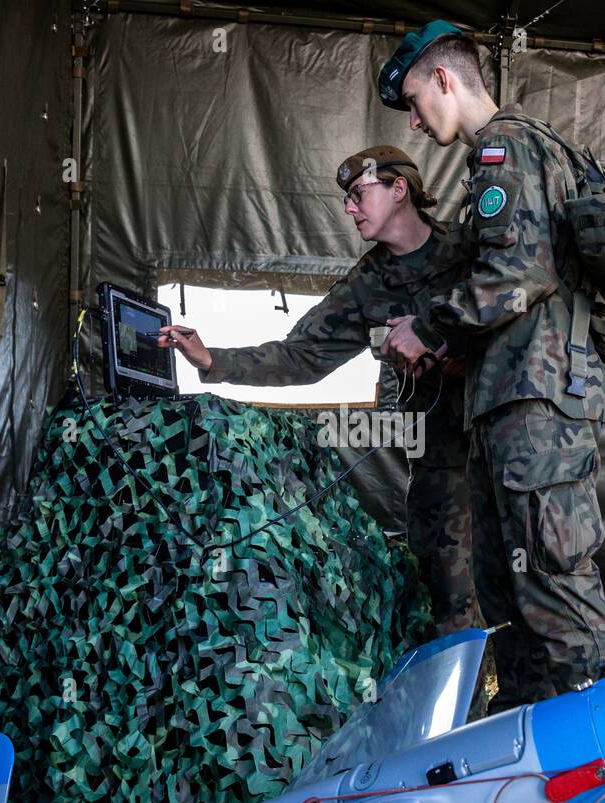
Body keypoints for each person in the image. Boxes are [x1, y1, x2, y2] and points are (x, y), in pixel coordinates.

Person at [376, 20, 605, 711]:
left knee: (552, 577)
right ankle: (528, 736)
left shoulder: (505, 150)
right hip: (511, 398)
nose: (416, 124)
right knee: (506, 579)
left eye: (415, 102)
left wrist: (427, 325)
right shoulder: (516, 151)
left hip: (538, 400)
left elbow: (521, 274)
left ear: (445, 79)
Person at [159, 145, 481, 638]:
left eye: (357, 195)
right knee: (448, 601)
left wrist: (450, 340)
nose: (349, 208)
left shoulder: (474, 250)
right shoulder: (366, 285)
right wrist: (212, 359)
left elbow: (522, 309)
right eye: (346, 199)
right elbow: (302, 356)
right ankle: (464, 712)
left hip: (504, 445)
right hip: (442, 466)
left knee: (526, 583)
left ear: (400, 189)